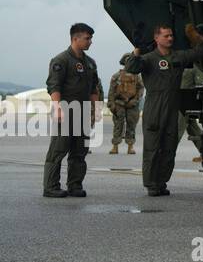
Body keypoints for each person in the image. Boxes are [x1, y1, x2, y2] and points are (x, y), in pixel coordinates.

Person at [124, 25, 203, 197]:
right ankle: (151, 184)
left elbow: (199, 52)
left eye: (171, 35)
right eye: (166, 36)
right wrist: (137, 49)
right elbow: (131, 68)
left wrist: (196, 35)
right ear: (157, 38)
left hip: (173, 107)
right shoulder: (148, 59)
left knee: (169, 147)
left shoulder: (178, 56)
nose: (170, 38)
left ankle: (161, 182)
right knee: (152, 148)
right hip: (155, 106)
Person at [42, 23, 102, 198]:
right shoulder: (61, 60)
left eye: (91, 39)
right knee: (58, 150)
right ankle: (51, 187)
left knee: (79, 151)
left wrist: (96, 108)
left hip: (83, 112)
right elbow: (54, 85)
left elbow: (93, 88)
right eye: (87, 38)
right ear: (75, 38)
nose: (90, 42)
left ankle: (75, 185)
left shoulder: (90, 63)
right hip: (66, 110)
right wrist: (57, 107)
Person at [107, 59, 143, 155]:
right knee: (118, 125)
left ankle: (130, 146)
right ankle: (115, 146)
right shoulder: (116, 76)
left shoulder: (137, 77)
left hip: (132, 105)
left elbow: (140, 90)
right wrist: (111, 104)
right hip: (119, 104)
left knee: (131, 125)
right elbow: (111, 91)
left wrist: (135, 100)